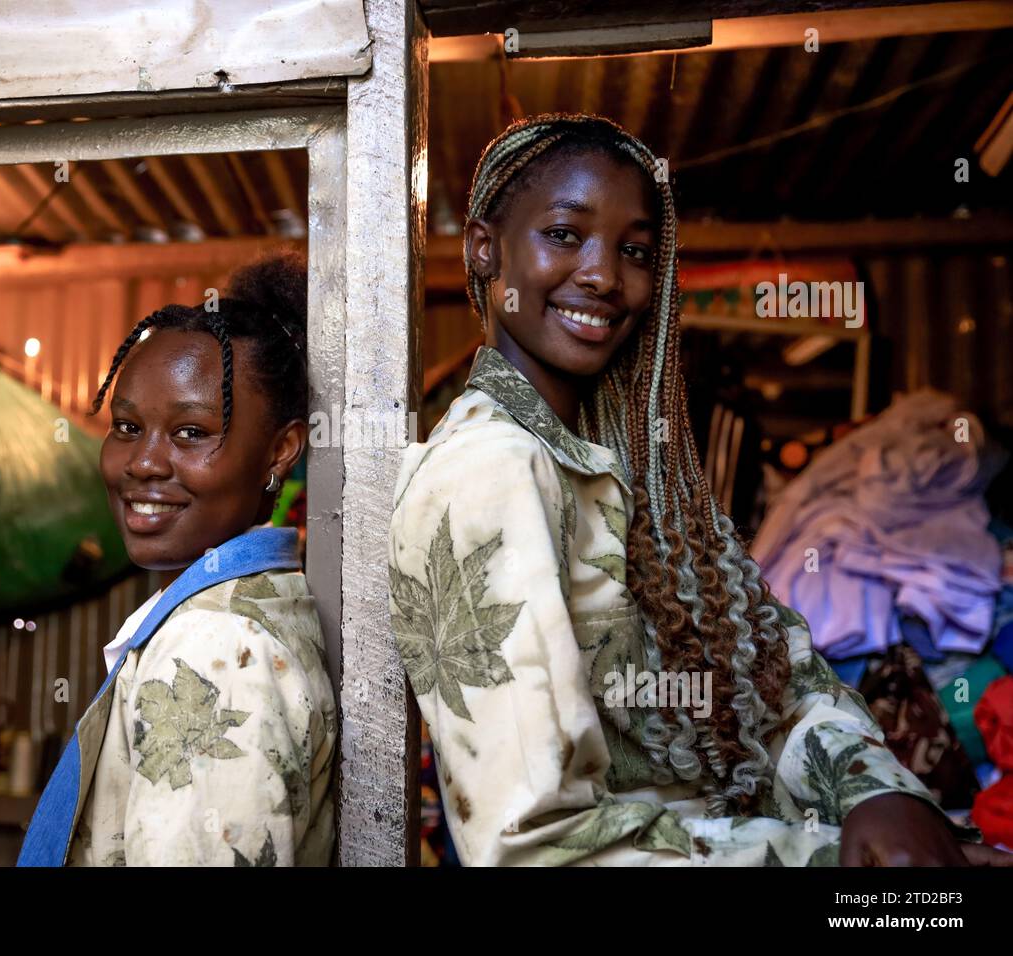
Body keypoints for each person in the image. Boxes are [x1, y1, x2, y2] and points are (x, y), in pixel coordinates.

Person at [388, 113, 1007, 866]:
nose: (603, 275)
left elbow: (783, 676)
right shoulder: (486, 472)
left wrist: (876, 791)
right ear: (485, 249)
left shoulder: (642, 473)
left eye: (636, 250)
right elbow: (536, 846)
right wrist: (830, 860)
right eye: (563, 234)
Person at [19, 252, 335, 867]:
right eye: (128, 427)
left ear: (280, 451)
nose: (143, 463)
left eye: (191, 433)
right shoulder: (258, 602)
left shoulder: (213, 647)